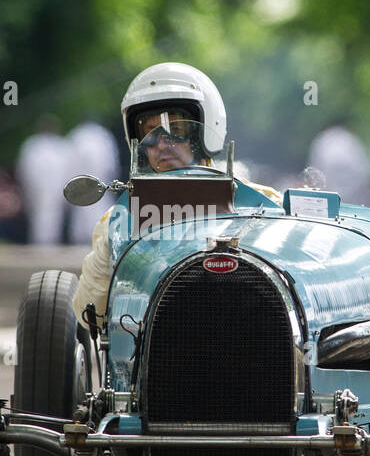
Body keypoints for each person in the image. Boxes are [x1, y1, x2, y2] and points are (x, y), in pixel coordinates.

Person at [72, 62, 276, 324]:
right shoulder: (118, 219)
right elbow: (92, 315)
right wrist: (111, 248)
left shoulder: (262, 203)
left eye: (177, 129)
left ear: (205, 128)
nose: (163, 144)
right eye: (150, 132)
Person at [15, 116, 73, 245]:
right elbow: (25, 168)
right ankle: (40, 242)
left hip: (53, 187)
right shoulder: (33, 145)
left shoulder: (59, 146)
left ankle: (48, 242)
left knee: (52, 215)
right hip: (40, 187)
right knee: (40, 215)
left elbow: (68, 168)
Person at [65, 120, 120, 244]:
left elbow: (71, 163)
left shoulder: (79, 136)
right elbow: (110, 164)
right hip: (93, 183)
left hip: (92, 183)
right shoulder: (101, 136)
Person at [307, 122, 370, 208]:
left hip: (328, 200)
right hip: (354, 202)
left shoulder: (324, 140)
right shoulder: (349, 140)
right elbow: (366, 170)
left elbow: (314, 172)